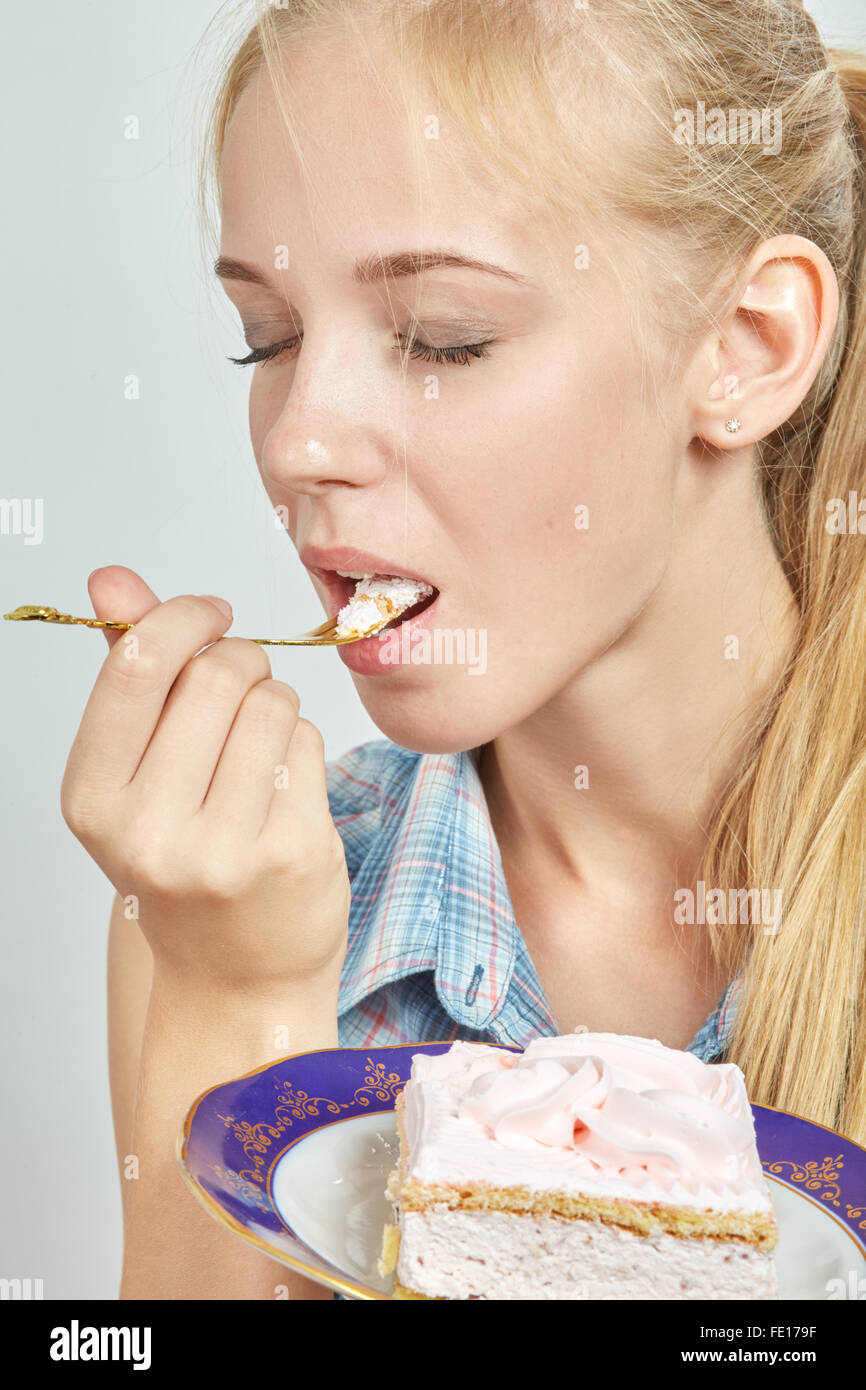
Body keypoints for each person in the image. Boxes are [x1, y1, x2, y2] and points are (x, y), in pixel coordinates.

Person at [61, 0, 866, 1299]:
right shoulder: (223, 910)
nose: (294, 440)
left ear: (744, 347)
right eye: (267, 337)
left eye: (441, 337)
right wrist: (236, 1004)